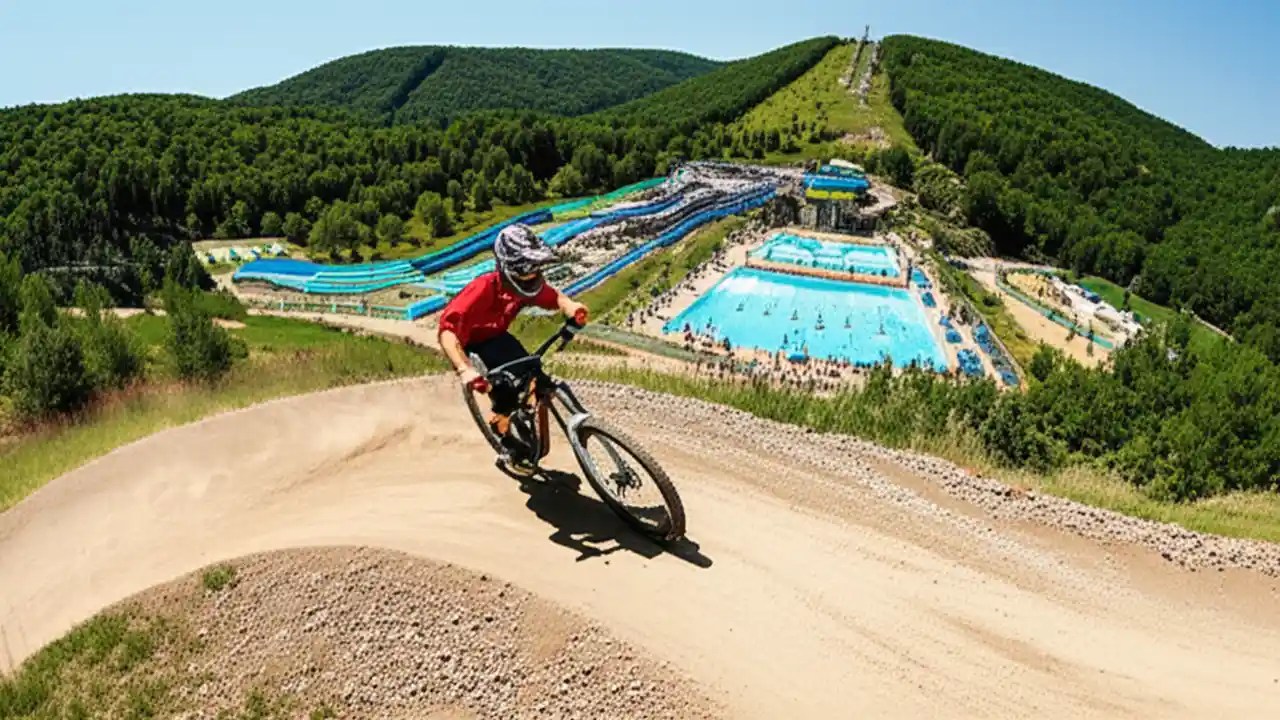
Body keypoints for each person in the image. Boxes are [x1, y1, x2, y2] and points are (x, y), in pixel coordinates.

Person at [437, 224, 588, 475]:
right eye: (525, 270)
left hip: (497, 337)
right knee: (504, 392)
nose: (532, 275)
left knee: (534, 371)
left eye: (535, 268)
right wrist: (465, 369)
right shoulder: (481, 290)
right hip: (471, 345)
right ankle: (507, 441)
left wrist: (570, 307)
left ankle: (526, 413)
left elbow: (552, 297)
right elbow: (447, 332)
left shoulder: (526, 286)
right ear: (508, 269)